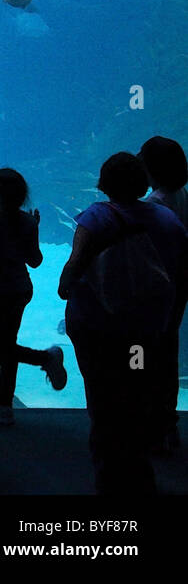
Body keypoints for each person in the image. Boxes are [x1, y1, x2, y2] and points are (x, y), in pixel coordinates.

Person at [59, 152, 187, 494]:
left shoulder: (95, 217)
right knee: (137, 395)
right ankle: (140, 473)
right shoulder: (167, 218)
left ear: (104, 183)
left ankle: (110, 478)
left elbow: (70, 274)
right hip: (146, 329)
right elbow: (178, 271)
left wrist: (67, 285)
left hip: (97, 329)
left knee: (103, 400)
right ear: (143, 181)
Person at [0, 169, 67, 425]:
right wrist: (31, 230)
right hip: (18, 290)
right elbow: (35, 260)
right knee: (6, 344)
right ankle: (4, 404)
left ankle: (45, 358)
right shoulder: (28, 222)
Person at [138, 136, 188, 451]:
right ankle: (167, 422)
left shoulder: (155, 204)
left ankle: (153, 425)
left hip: (157, 291)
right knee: (167, 353)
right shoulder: (181, 194)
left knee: (149, 356)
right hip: (178, 287)